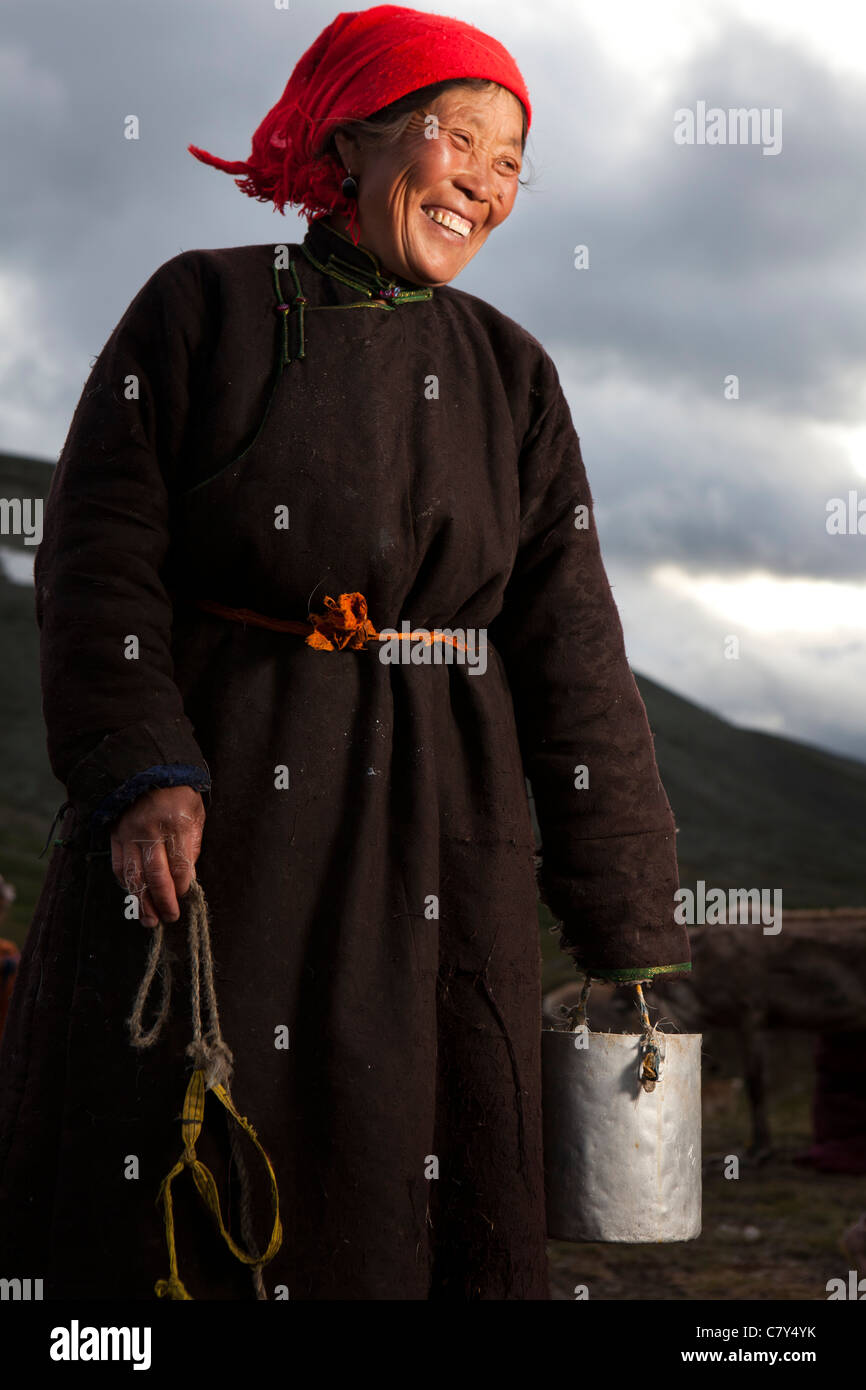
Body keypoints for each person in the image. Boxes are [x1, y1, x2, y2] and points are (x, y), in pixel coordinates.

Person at [0, 4, 690, 1301]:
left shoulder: (511, 375)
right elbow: (96, 549)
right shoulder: (201, 307)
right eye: (461, 138)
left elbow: (574, 648)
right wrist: (143, 761)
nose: (487, 181)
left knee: (414, 1151)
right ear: (358, 137)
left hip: (445, 823)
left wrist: (627, 916)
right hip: (221, 807)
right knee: (181, 1148)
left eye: (512, 163)